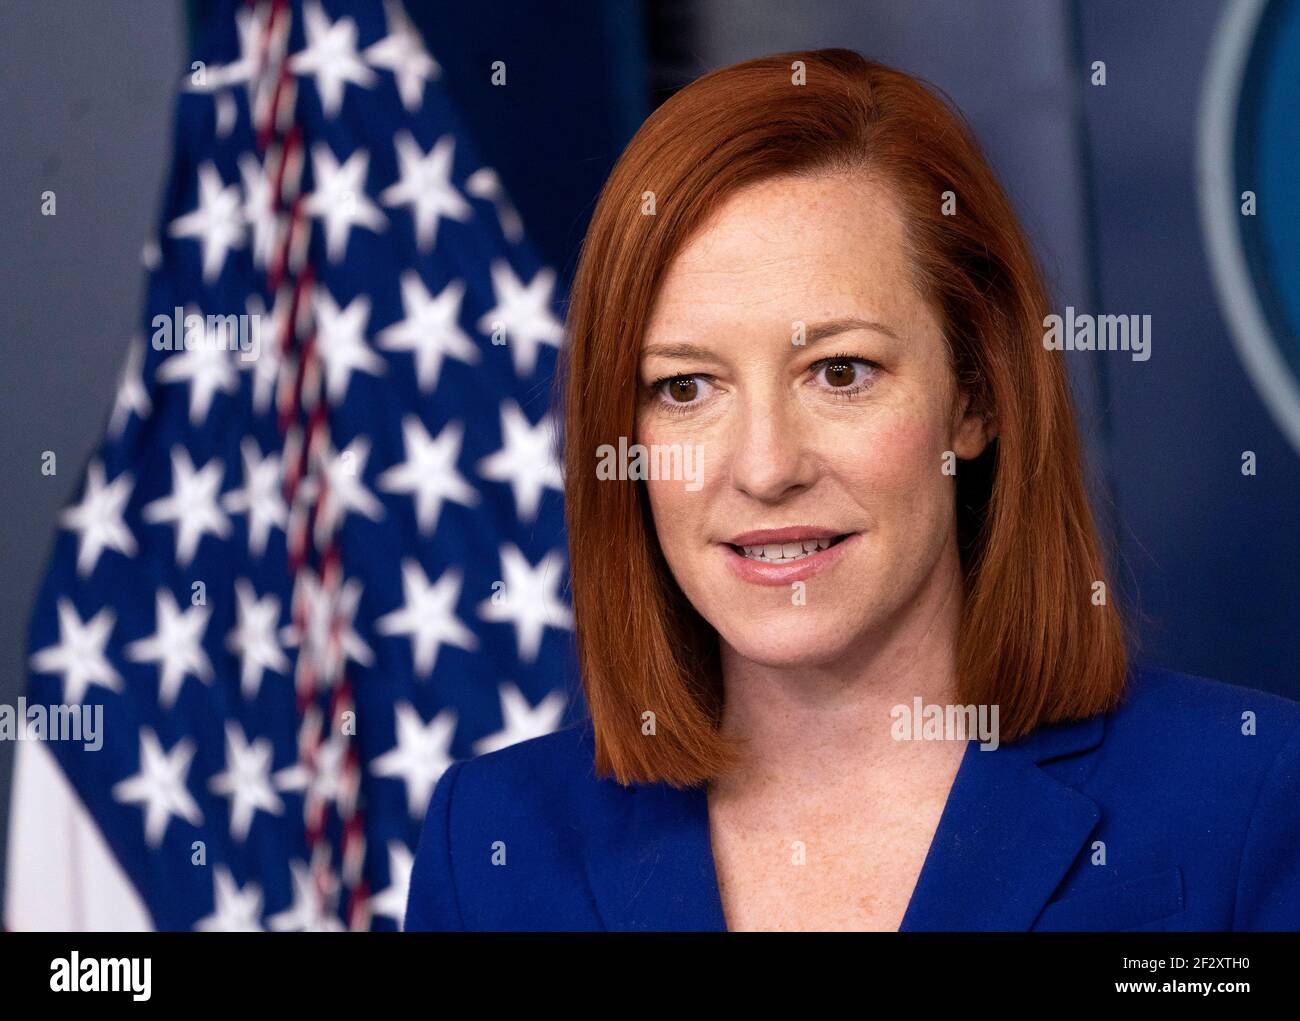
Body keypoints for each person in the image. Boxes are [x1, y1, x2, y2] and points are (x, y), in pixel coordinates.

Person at [404, 49, 1300, 932]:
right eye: (685, 387)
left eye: (839, 371)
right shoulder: (496, 845)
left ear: (975, 397)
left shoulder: (1250, 801)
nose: (764, 467)